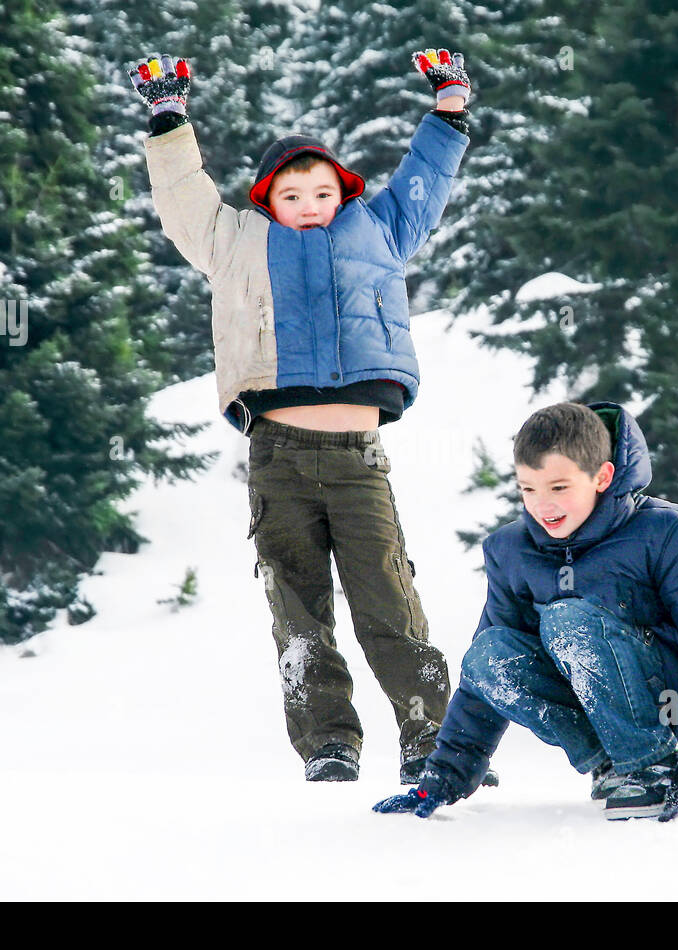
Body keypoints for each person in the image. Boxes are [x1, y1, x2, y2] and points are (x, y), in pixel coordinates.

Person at [131, 49, 494, 786]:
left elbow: (426, 183)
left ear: (342, 192)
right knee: (298, 611)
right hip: (279, 457)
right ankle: (329, 743)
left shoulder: (380, 229)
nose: (308, 203)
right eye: (291, 194)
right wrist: (169, 117)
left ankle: (433, 742)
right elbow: (184, 200)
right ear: (268, 200)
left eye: (321, 191)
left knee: (389, 600)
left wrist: (450, 106)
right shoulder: (235, 243)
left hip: (359, 458)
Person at [374, 401, 678, 820]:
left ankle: (655, 766)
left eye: (559, 488)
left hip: (672, 713)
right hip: (599, 711)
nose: (543, 505)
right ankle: (613, 765)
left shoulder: (670, 533)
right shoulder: (512, 551)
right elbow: (485, 674)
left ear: (602, 476)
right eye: (528, 488)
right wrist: (444, 774)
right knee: (488, 653)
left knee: (567, 619)